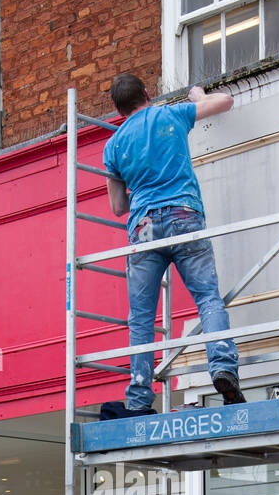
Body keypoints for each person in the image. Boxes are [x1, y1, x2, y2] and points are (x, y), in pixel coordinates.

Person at [102, 72, 246, 414]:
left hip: (144, 228)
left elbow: (118, 206)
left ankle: (138, 398)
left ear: (119, 110)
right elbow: (225, 101)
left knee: (141, 318)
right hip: (184, 215)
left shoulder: (114, 145)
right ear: (147, 94)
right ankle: (222, 366)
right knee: (207, 297)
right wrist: (198, 94)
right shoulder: (170, 113)